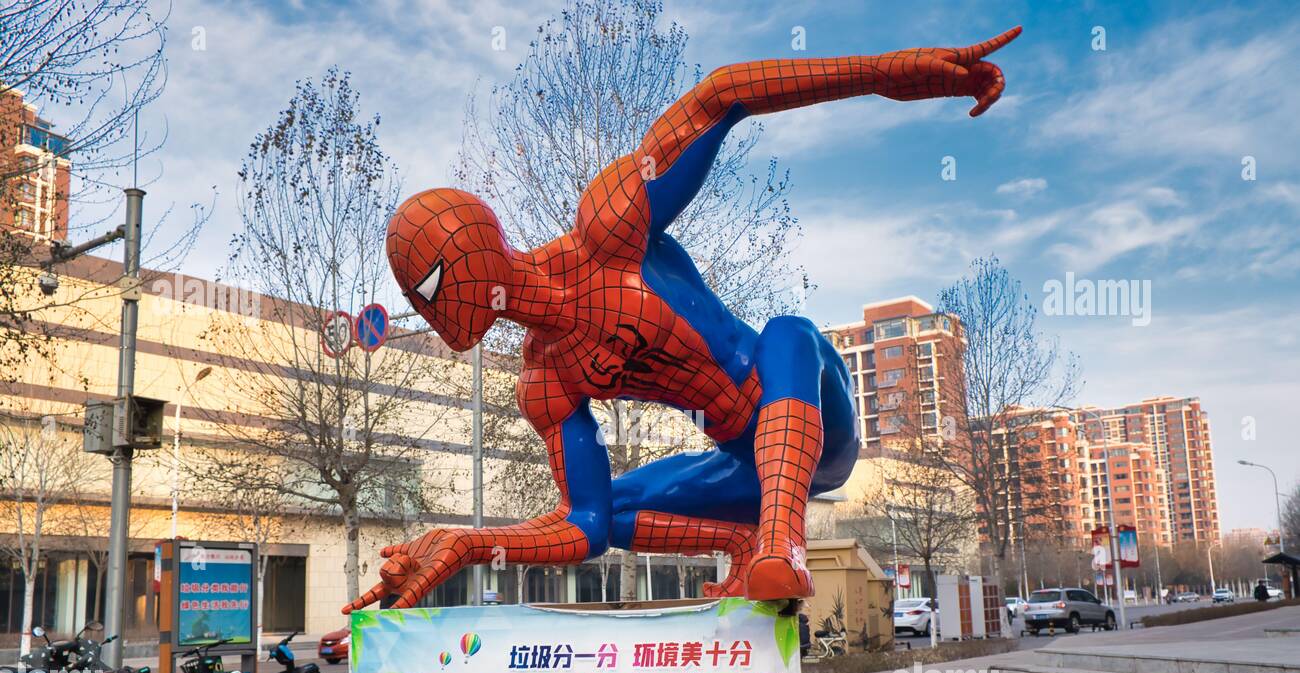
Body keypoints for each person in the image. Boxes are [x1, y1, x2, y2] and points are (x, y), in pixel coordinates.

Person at [342, 28, 1022, 614]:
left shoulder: (609, 229)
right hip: (740, 466)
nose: (432, 313)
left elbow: (722, 95)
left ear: (475, 245)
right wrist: (470, 542)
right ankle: (748, 543)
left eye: (429, 285)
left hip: (816, 417)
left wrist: (882, 74)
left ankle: (783, 542)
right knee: (613, 505)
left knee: (789, 332)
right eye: (418, 295)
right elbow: (584, 527)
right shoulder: (545, 382)